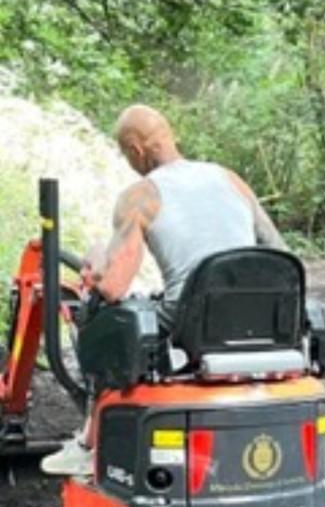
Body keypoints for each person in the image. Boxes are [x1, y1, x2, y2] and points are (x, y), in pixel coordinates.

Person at [41, 104, 287, 476]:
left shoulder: (141, 196)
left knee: (106, 321)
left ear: (136, 150)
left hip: (194, 324)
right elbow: (279, 254)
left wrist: (96, 256)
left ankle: (87, 445)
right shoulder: (230, 179)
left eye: (127, 155)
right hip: (261, 323)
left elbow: (113, 287)